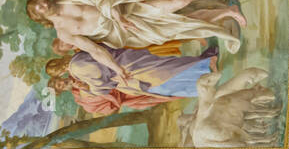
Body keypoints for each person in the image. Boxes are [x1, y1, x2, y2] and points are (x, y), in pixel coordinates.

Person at [25, 0, 244, 75]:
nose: (43, 4)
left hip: (128, 8)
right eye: (39, 8)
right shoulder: (63, 33)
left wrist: (117, 15)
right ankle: (227, 12)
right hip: (128, 31)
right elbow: (94, 50)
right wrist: (117, 68)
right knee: (183, 25)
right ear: (40, 17)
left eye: (40, 0)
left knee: (179, 1)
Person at [45, 43, 217, 117]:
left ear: (59, 72)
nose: (61, 81)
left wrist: (88, 88)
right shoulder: (76, 62)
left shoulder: (77, 67)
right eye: (58, 85)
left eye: (58, 79)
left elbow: (102, 83)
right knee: (165, 71)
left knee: (165, 77)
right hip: (127, 67)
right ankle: (204, 69)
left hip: (128, 72)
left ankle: (205, 67)